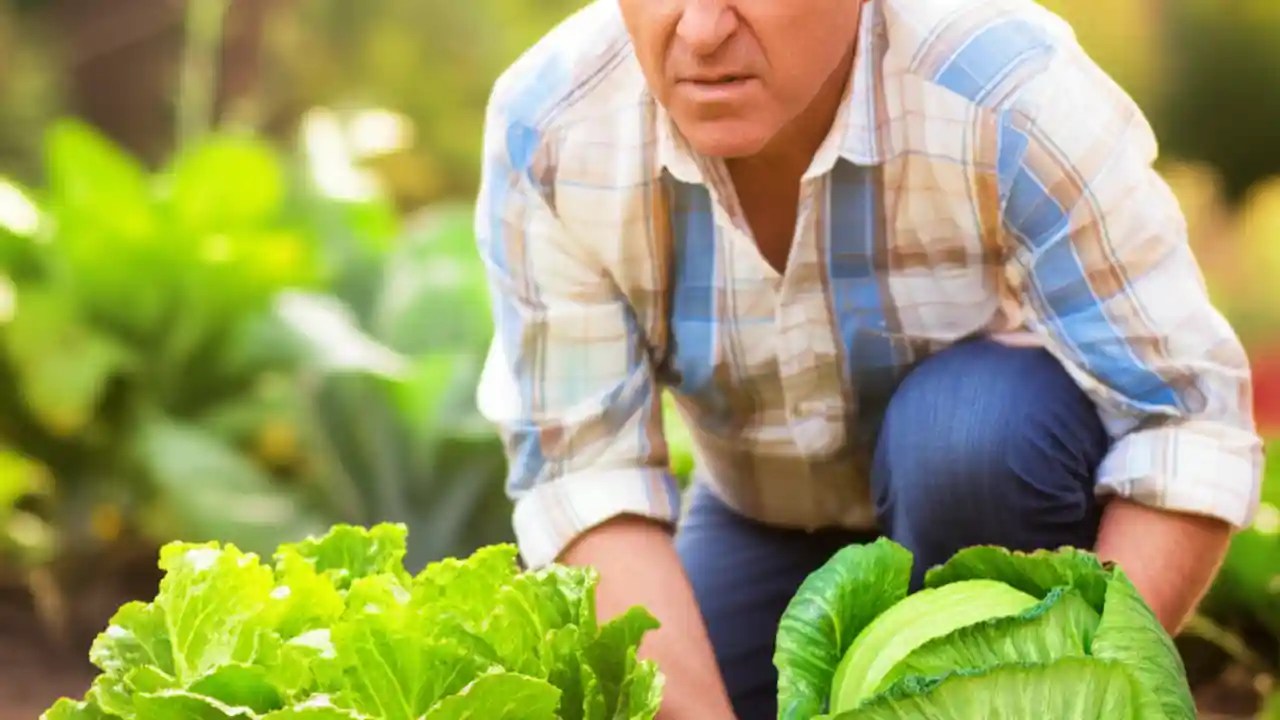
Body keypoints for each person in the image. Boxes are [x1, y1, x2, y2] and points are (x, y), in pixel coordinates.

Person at [472, 0, 1265, 718]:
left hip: (996, 499)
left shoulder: (1003, 89)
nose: (704, 30)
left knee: (963, 437)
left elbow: (1185, 422)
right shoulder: (551, 126)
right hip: (767, 517)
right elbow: (587, 477)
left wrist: (1077, 690)